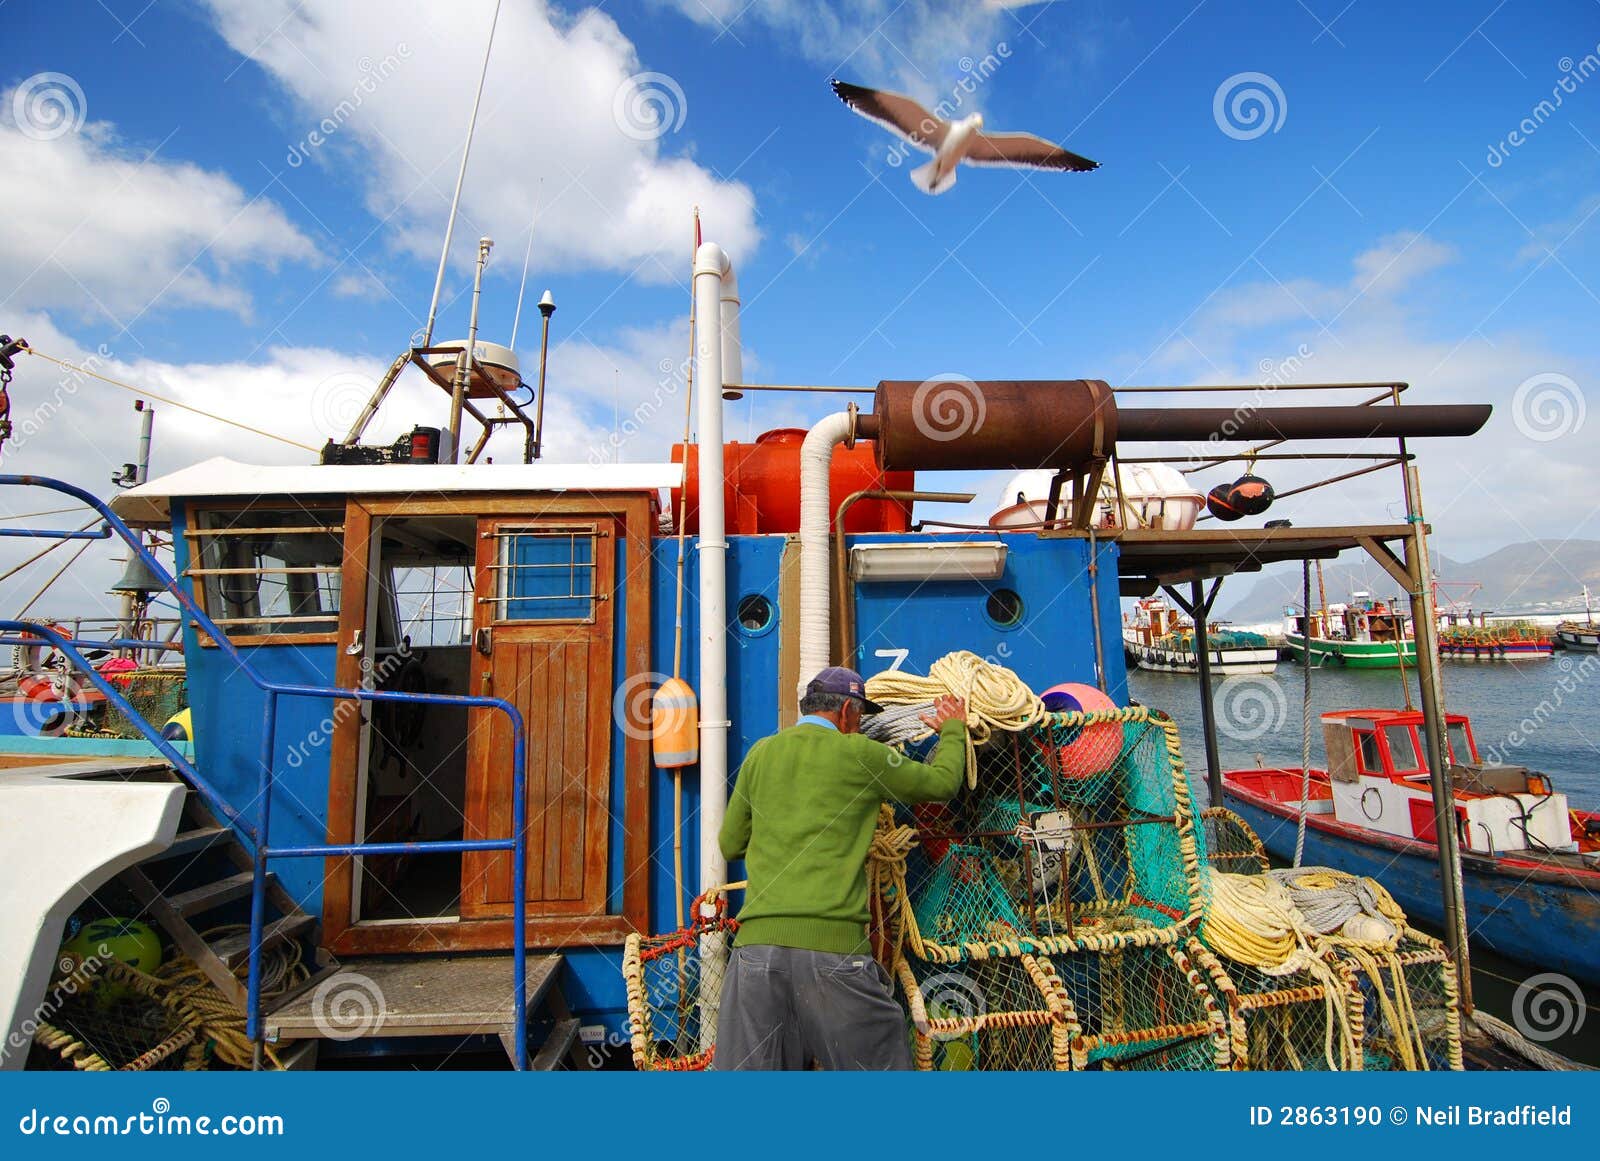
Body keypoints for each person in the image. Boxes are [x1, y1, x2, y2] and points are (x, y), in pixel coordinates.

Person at [714, 665, 967, 1070]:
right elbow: (942, 784)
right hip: (832, 952)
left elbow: (730, 844)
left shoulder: (761, 753)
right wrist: (953, 730)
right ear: (849, 712)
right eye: (861, 717)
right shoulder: (861, 754)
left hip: (755, 954)